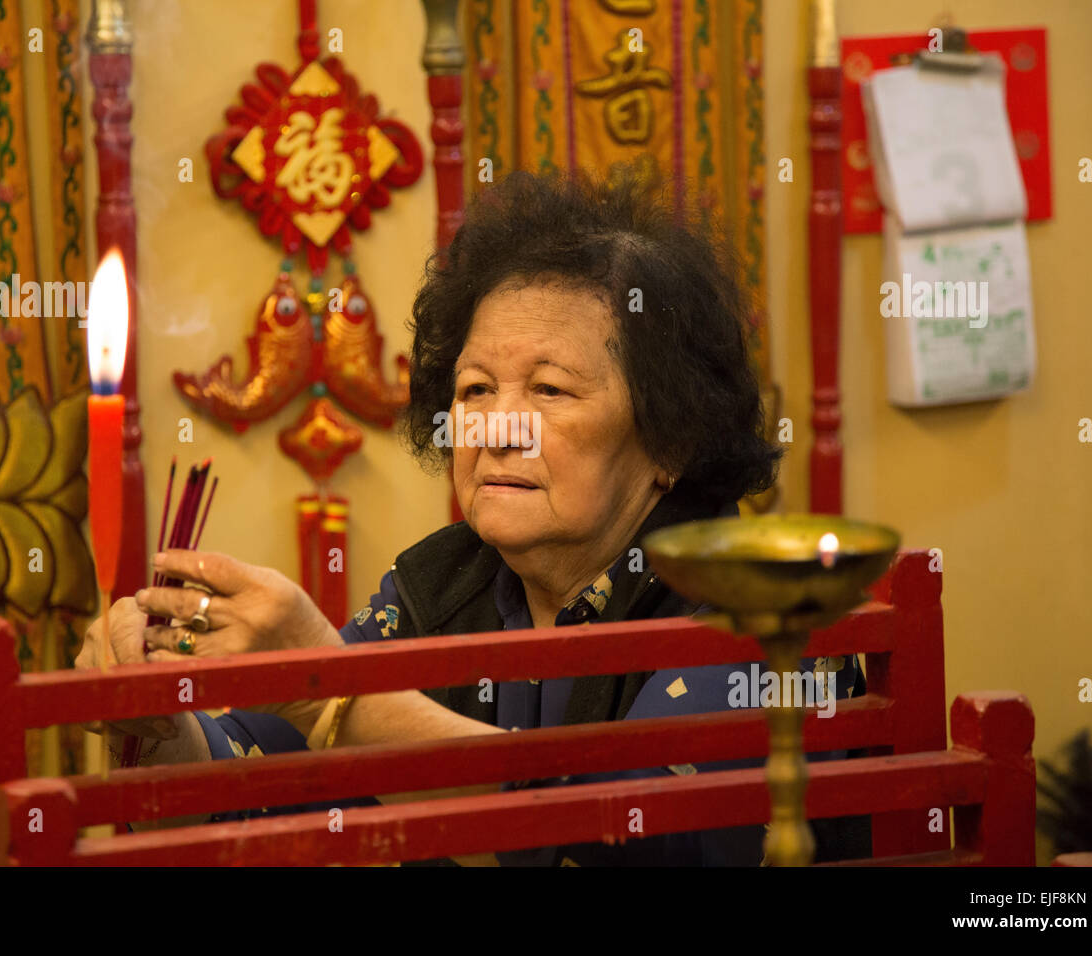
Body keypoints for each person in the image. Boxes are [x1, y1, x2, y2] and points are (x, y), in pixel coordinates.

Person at [78, 167, 867, 865]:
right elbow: (272, 780)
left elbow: (633, 833)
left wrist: (333, 697)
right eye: (476, 390)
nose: (496, 426)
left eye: (550, 390)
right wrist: (165, 728)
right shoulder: (440, 584)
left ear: (671, 436)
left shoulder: (754, 601)